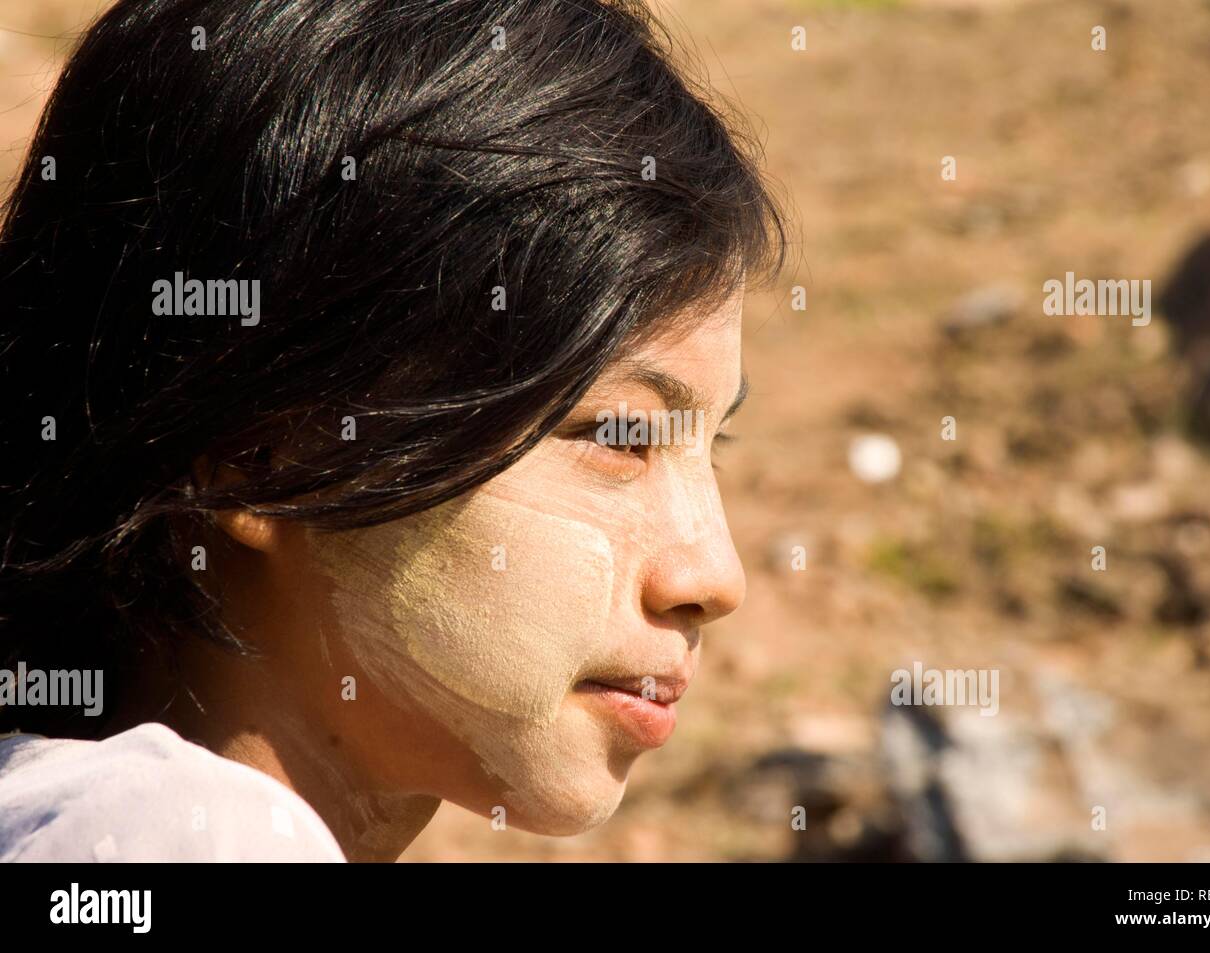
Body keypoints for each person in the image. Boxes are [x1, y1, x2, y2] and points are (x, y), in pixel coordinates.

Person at [0, 0, 787, 861]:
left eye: (714, 445)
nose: (714, 576)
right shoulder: (188, 835)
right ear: (256, 452)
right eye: (620, 435)